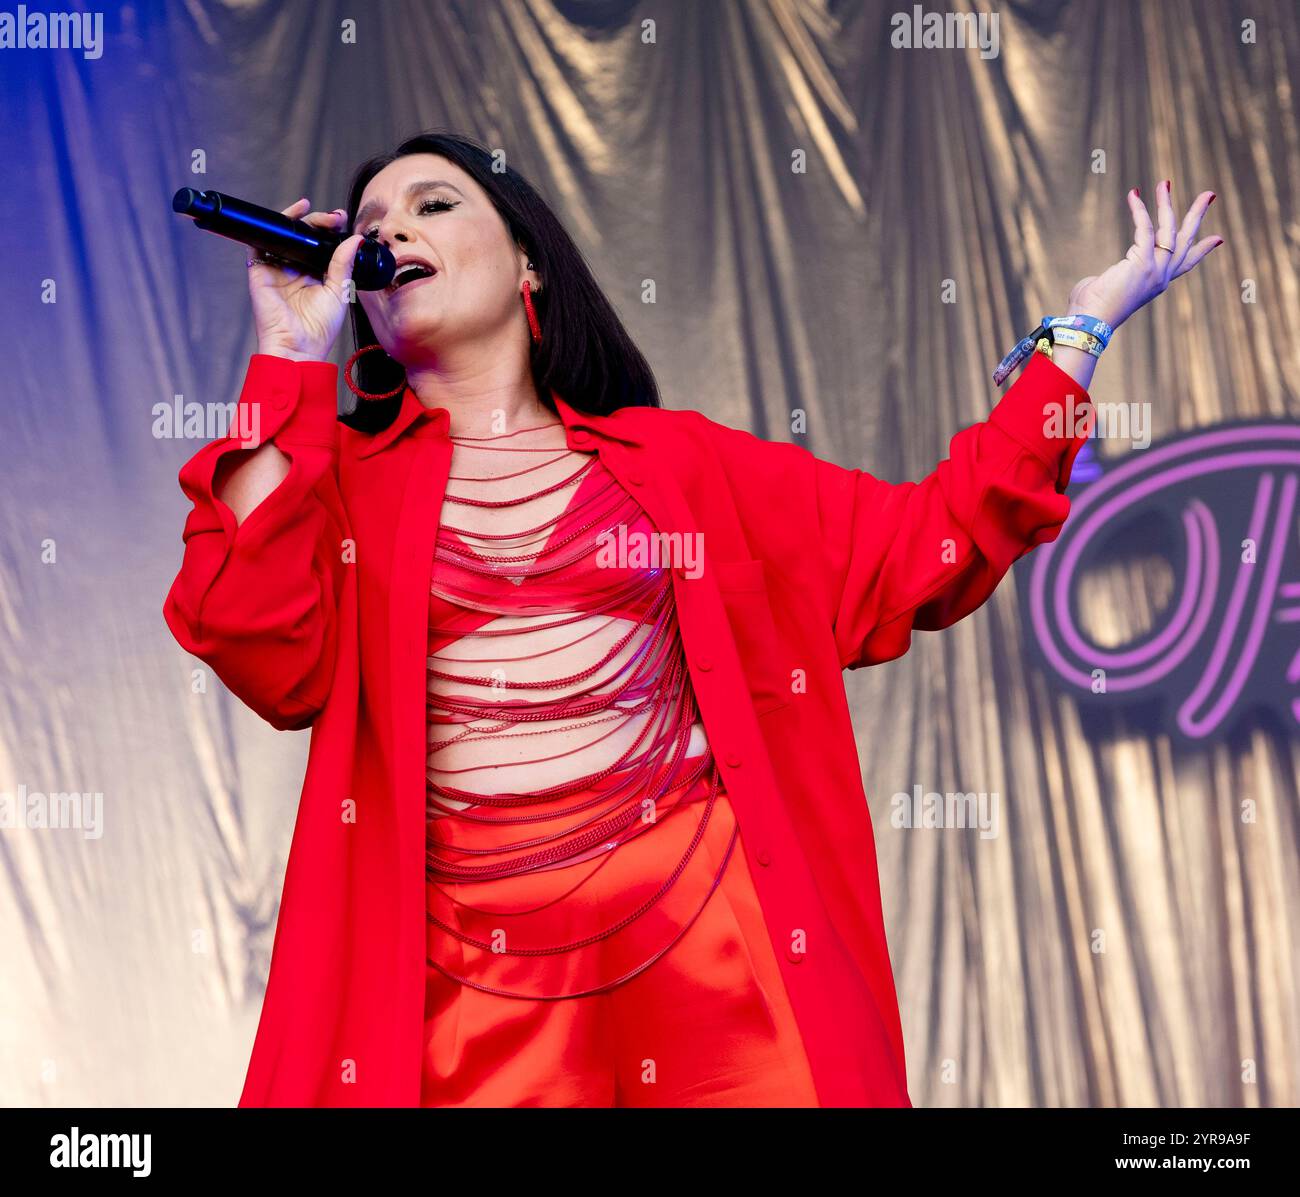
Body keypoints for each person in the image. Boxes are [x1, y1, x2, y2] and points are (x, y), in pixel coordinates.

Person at [162, 132, 1222, 1107]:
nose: (389, 232)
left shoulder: (679, 466)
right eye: (370, 223)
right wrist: (289, 357)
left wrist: (1078, 336)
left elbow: (930, 544)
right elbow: (257, 643)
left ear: (529, 263)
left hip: (710, 961)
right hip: (467, 992)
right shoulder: (341, 488)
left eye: (432, 205)